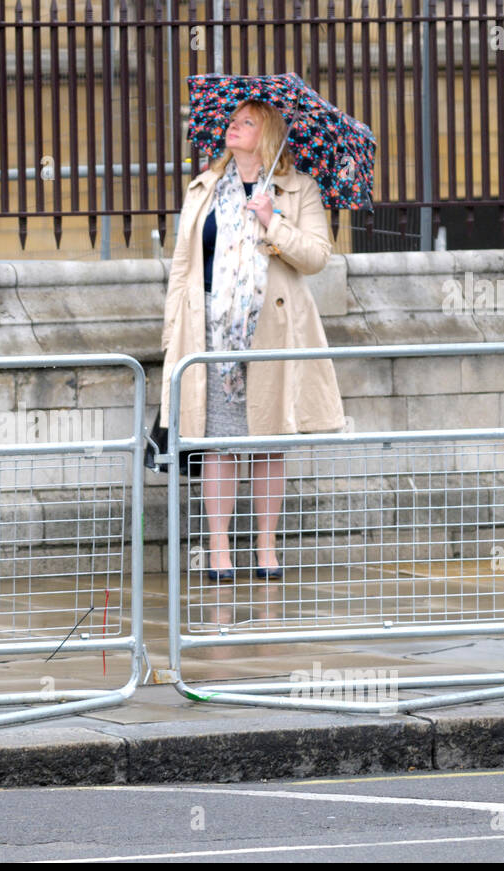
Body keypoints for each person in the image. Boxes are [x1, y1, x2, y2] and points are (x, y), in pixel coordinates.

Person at [160, 100, 344, 582]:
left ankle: (266, 548)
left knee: (267, 442)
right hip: (210, 332)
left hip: (270, 332)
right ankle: (219, 551)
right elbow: (182, 265)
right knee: (218, 442)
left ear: (267, 135)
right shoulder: (204, 188)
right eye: (232, 120)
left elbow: (317, 257)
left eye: (245, 122)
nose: (232, 127)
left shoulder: (297, 189)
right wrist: (172, 333)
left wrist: (273, 220)